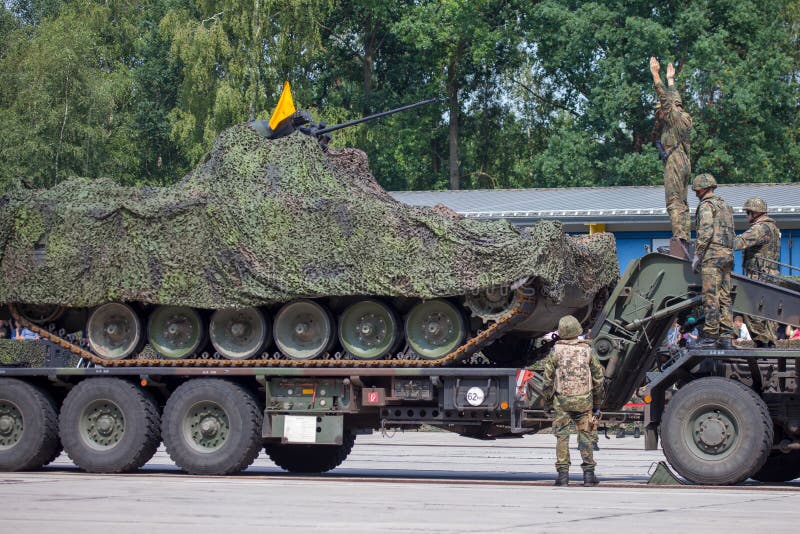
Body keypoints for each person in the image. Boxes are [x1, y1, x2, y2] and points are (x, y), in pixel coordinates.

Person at [541, 315, 604, 487]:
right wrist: (597, 403)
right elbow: (598, 378)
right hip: (585, 400)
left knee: (562, 437)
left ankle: (563, 476)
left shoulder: (556, 351)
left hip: (562, 401)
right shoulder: (587, 350)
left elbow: (547, 380)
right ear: (578, 330)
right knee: (586, 436)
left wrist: (546, 403)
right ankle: (589, 475)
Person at [650, 57, 693, 244]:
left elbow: (666, 101)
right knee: (683, 203)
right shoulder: (683, 117)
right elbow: (675, 101)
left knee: (674, 201)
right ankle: (685, 234)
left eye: (660, 112)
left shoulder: (673, 118)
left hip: (675, 162)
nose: (659, 115)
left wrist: (655, 75)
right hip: (685, 161)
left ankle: (680, 236)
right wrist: (671, 80)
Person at [691, 174, 736, 349]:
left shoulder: (706, 206)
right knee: (725, 297)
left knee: (711, 295)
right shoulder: (725, 206)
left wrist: (698, 255)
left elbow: (706, 231)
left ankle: (710, 336)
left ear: (703, 188)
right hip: (727, 256)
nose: (695, 193)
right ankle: (726, 336)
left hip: (712, 257)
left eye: (696, 190)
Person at [734, 197, 781, 346]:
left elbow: (738, 242)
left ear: (754, 212)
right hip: (771, 274)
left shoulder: (760, 228)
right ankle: (771, 342)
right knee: (769, 313)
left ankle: (762, 342)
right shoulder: (773, 228)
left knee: (749, 308)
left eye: (748, 212)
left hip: (759, 275)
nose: (747, 216)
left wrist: (719, 240)